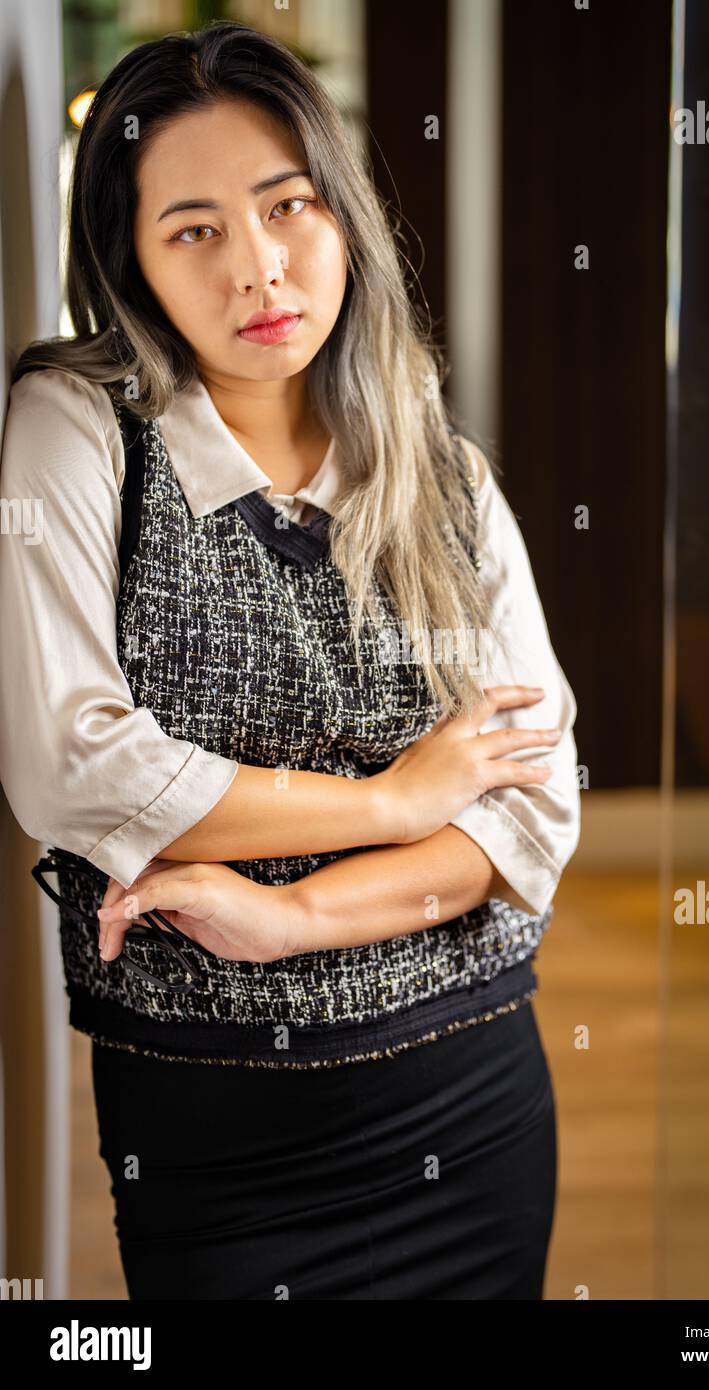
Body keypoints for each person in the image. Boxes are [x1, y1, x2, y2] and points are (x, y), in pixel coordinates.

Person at [0, 22, 579, 1300]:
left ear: (342, 215)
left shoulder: (441, 472)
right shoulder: (79, 427)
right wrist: (393, 802)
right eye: (194, 229)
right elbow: (70, 764)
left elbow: (531, 813)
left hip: (466, 1094)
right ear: (133, 262)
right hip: (215, 1141)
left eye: (288, 206)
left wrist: (288, 918)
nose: (258, 267)